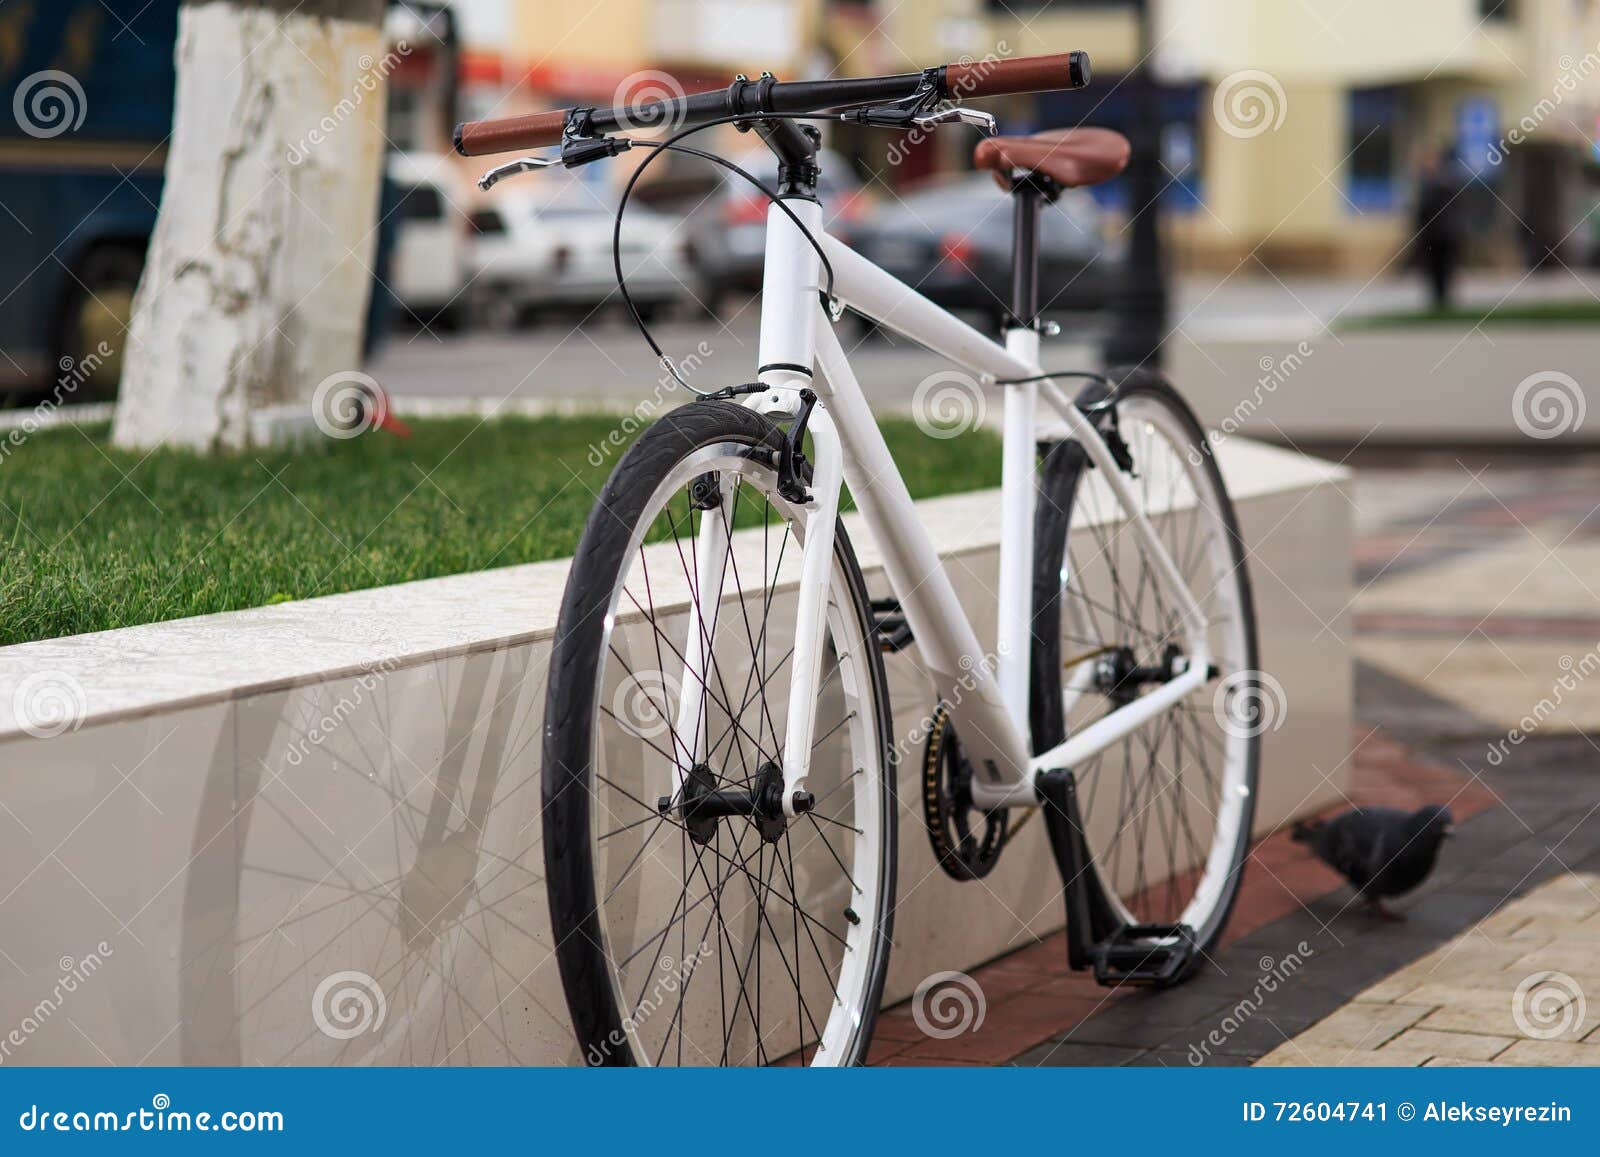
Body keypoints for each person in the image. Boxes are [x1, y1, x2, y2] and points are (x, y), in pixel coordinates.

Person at [1413, 147, 1464, 310]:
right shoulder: (1426, 185)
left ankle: (1444, 300)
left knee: (1444, 269)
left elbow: (1449, 211)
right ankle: (1437, 300)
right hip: (1430, 236)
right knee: (1432, 269)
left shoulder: (1444, 184)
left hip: (1444, 235)